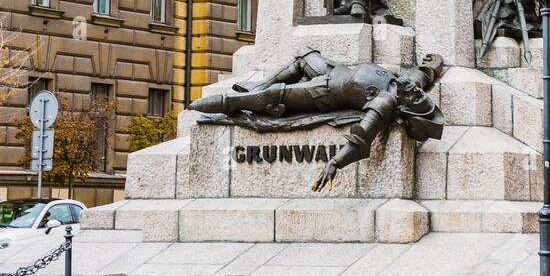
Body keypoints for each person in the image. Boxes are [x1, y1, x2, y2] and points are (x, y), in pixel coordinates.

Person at [188, 50, 445, 191]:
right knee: (303, 56)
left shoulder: (385, 103)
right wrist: (434, 63)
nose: (415, 89)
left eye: (414, 94)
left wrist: (334, 163)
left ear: (405, 105)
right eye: (418, 92)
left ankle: (231, 102)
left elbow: (360, 140)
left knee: (273, 96)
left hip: (322, 93)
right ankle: (258, 85)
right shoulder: (408, 84)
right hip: (332, 69)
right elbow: (425, 72)